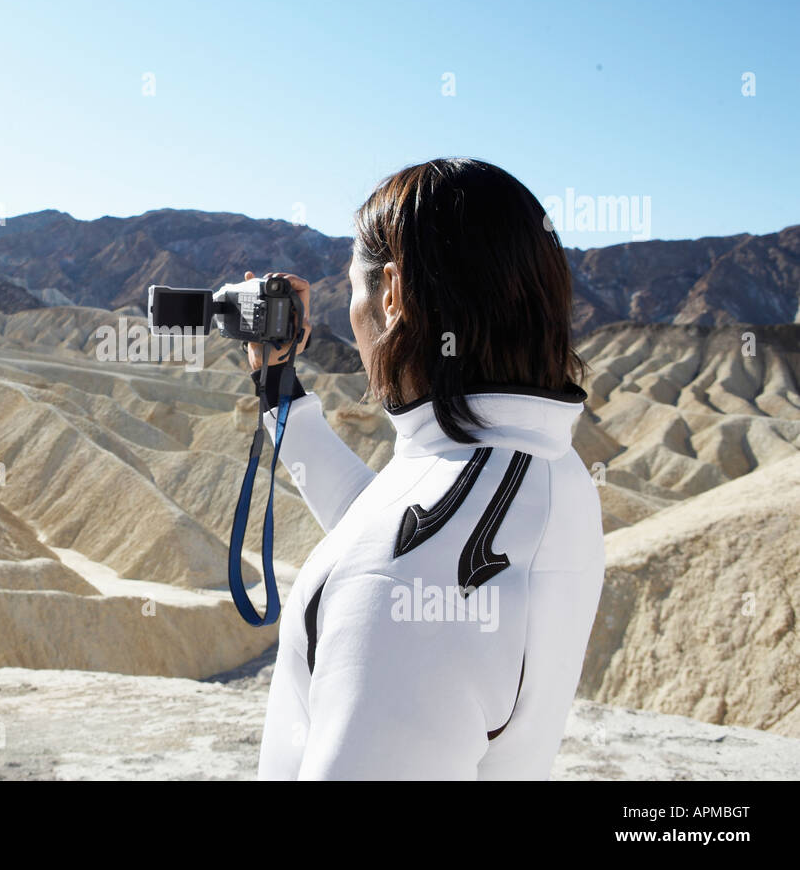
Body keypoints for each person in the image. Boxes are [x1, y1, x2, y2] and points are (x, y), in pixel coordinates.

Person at [247, 157, 604, 780]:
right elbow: (388, 521)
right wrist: (278, 389)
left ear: (391, 294)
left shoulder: (401, 583)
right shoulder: (542, 470)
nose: (352, 319)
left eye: (353, 291)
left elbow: (388, 557)